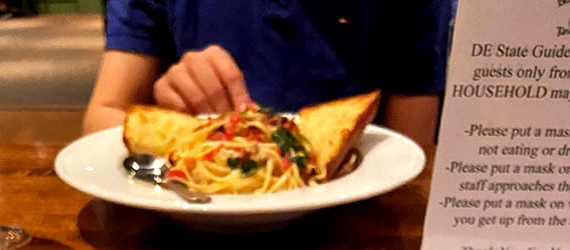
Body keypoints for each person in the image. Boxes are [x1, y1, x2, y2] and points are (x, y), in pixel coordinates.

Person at [83, 0, 452, 150]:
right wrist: (174, 127)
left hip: (351, 232)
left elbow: (410, 152)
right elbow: (101, 117)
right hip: (183, 222)